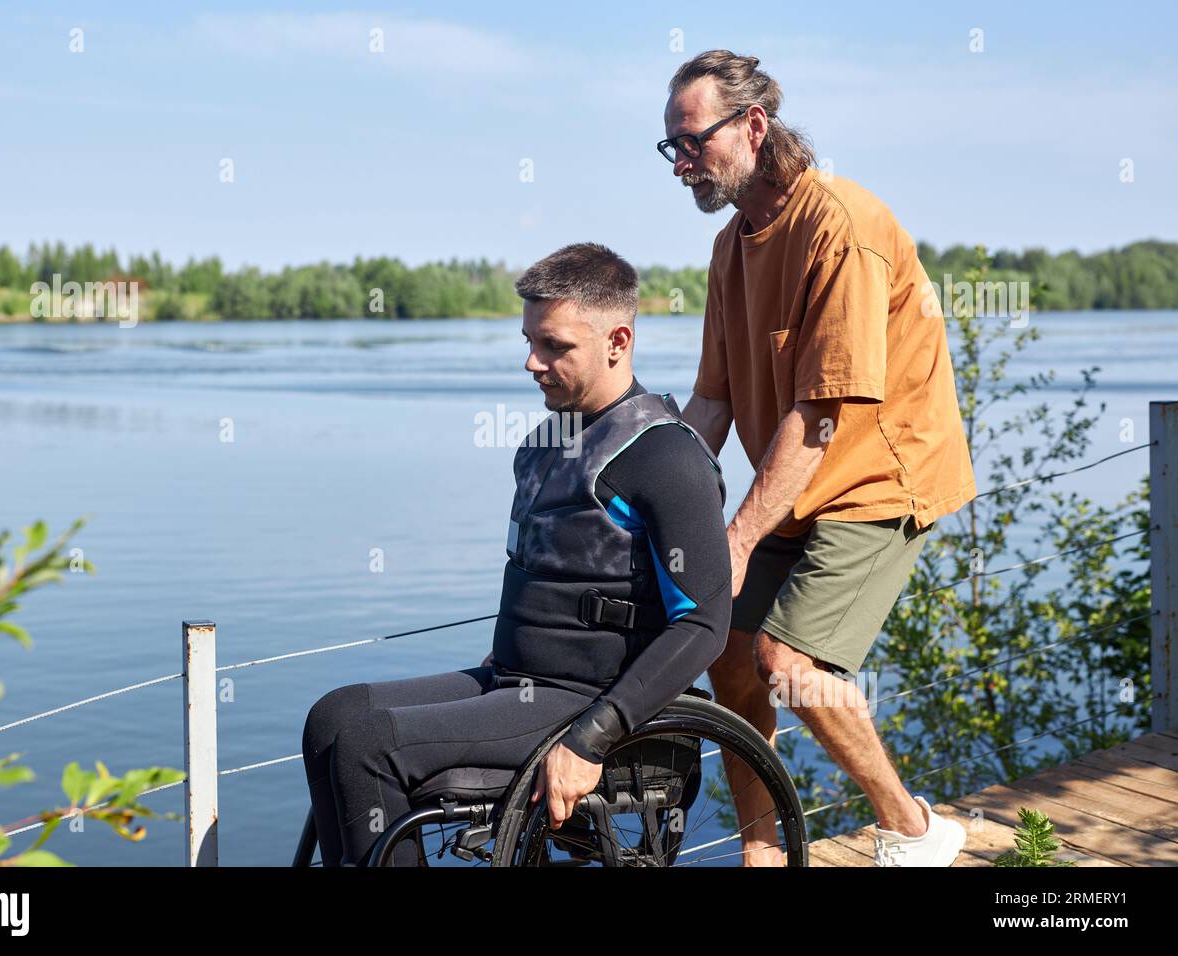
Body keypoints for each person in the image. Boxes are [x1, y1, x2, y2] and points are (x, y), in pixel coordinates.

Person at [302, 242, 732, 866]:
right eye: (528, 341)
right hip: (513, 678)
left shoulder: (666, 457)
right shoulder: (543, 446)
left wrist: (592, 738)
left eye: (554, 345)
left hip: (588, 701)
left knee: (369, 744)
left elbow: (703, 625)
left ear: (617, 340)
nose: (532, 362)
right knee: (333, 717)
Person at [660, 50, 978, 866]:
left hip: (879, 473)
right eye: (672, 149)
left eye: (692, 142)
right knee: (727, 652)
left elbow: (821, 416)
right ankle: (761, 854)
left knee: (786, 660)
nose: (682, 164)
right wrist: (659, 496)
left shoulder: (842, 225)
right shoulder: (731, 248)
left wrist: (735, 542)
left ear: (754, 126)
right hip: (796, 484)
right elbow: (713, 403)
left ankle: (913, 831)